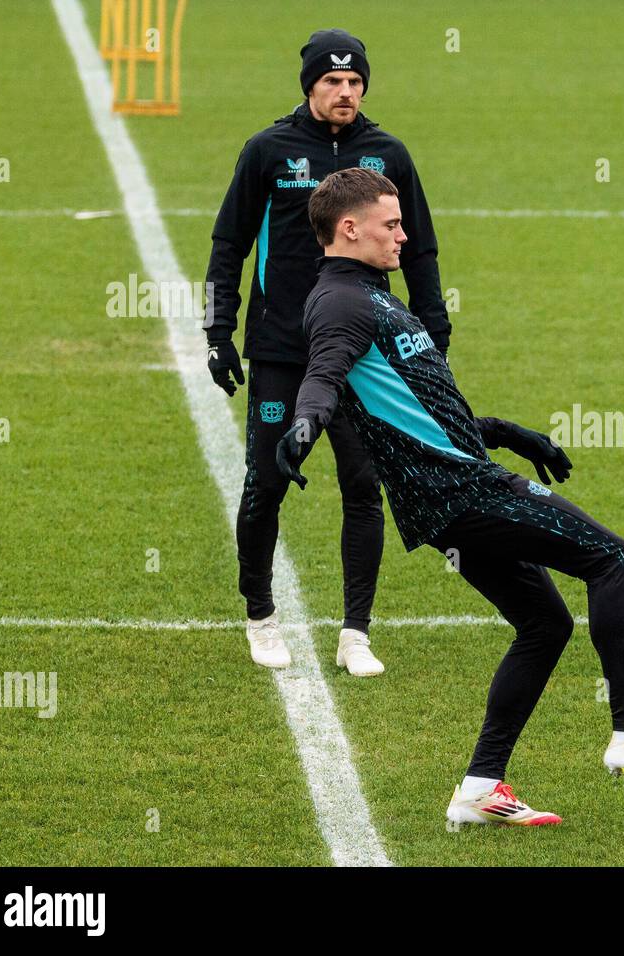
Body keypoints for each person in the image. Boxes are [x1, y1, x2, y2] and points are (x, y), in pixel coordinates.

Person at [276, 168, 624, 825]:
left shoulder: (376, 295)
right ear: (350, 228)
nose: (404, 235)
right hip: (463, 492)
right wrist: (305, 424)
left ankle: (480, 789)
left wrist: (507, 433)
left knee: (546, 625)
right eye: (391, 224)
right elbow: (323, 377)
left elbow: (421, 410)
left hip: (454, 487)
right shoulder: (342, 303)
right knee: (612, 558)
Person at [203, 29, 452, 675]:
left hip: (365, 351)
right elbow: (228, 242)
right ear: (310, 85)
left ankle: (355, 633)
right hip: (282, 348)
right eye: (332, 82)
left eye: (355, 82)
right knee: (267, 482)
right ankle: (260, 616)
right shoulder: (268, 149)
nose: (345, 92)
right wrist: (217, 330)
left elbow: (419, 247)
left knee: (364, 486)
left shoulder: (388, 154)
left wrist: (434, 333)